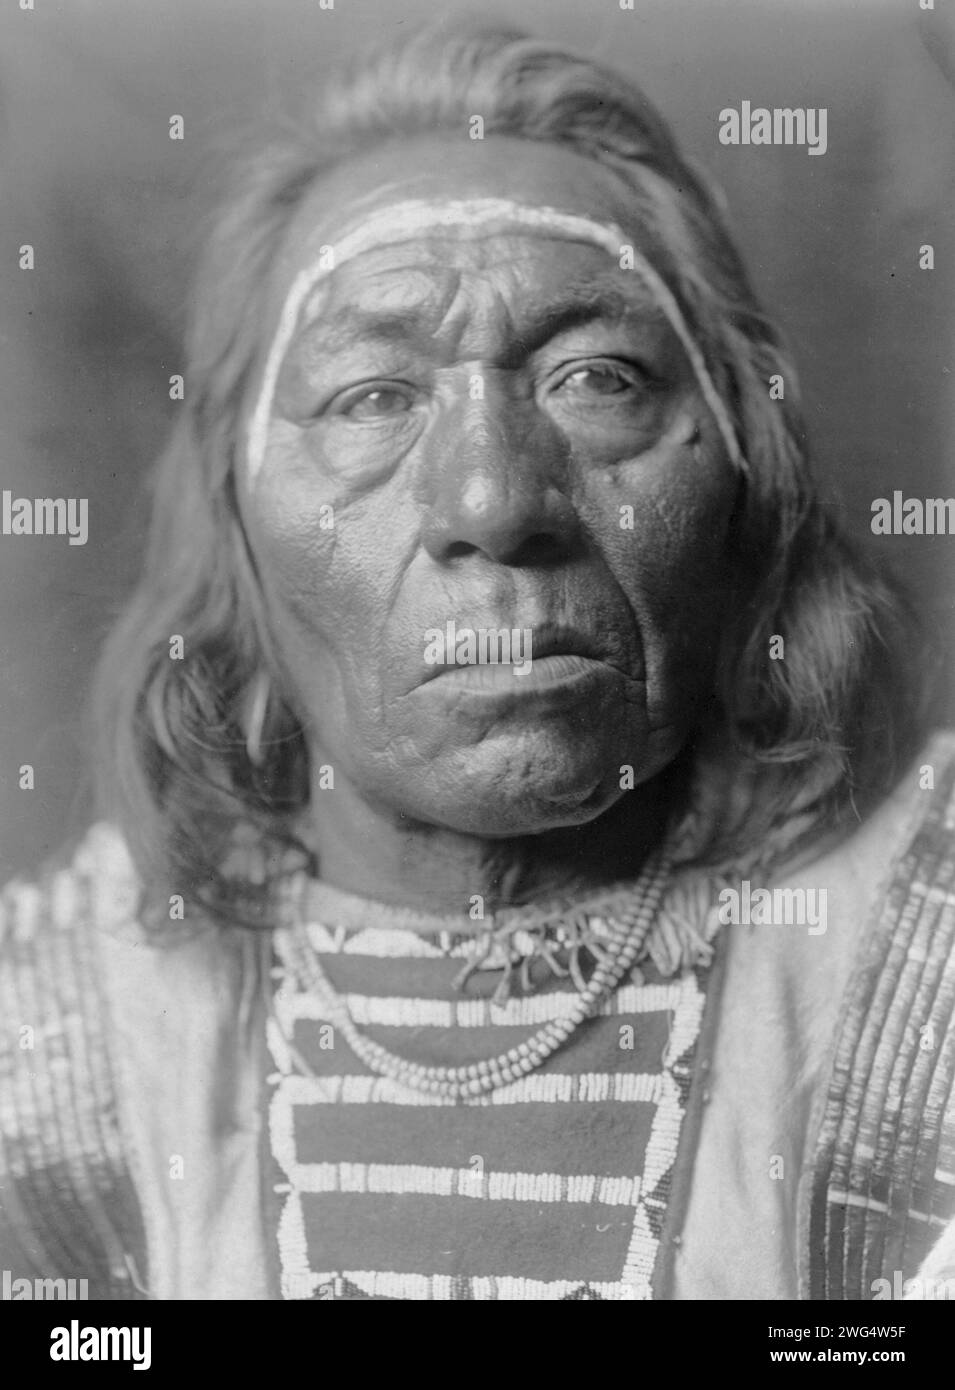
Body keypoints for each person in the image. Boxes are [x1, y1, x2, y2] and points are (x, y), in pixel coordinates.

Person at [1, 23, 953, 1302]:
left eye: (596, 376)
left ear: (748, 477)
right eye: (372, 397)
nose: (496, 498)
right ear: (234, 529)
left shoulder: (917, 967)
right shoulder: (65, 1042)